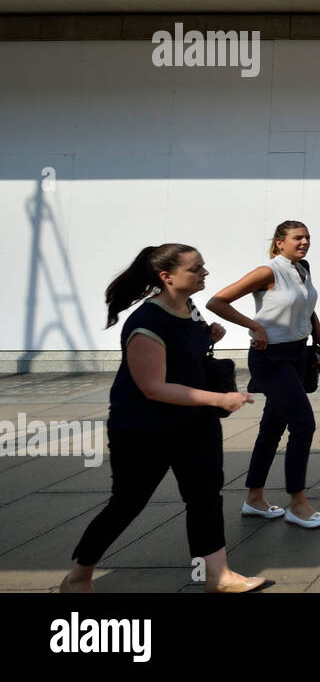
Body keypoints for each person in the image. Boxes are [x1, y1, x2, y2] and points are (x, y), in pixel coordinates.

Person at [61, 244, 265, 593]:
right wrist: (220, 398)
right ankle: (78, 577)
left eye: (203, 266)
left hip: (194, 423)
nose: (205, 273)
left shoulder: (189, 308)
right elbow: (153, 387)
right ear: (166, 277)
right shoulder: (146, 322)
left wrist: (208, 337)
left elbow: (186, 351)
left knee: (204, 496)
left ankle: (218, 577)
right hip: (144, 428)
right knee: (127, 502)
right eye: (196, 268)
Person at [207, 221, 320, 528]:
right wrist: (254, 325)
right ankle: (298, 504)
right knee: (303, 423)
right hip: (270, 358)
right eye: (297, 238)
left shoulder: (303, 269)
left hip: (297, 355)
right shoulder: (267, 272)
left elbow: (308, 308)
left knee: (273, 427)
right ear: (279, 243)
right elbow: (217, 302)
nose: (304, 242)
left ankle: (254, 499)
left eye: (307, 237)